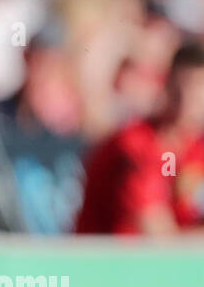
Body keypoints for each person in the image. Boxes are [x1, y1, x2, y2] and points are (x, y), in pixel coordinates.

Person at [75, 38, 204, 234]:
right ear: (168, 83)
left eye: (198, 88)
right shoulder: (136, 143)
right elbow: (157, 234)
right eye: (184, 86)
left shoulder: (196, 148)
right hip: (110, 261)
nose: (188, 98)